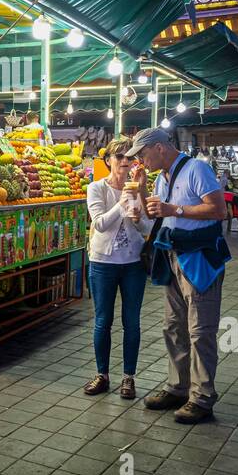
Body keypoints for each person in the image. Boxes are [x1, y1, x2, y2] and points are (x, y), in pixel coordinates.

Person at [128, 127, 229, 424]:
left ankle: (203, 397)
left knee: (201, 331)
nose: (141, 160)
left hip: (200, 258)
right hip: (172, 257)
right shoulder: (162, 177)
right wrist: (144, 188)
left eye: (143, 153)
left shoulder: (197, 169)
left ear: (159, 148)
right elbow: (154, 215)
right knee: (173, 327)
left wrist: (177, 209)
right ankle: (178, 386)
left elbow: (218, 210)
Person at [83, 137, 152, 400]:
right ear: (108, 160)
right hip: (103, 262)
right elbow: (100, 223)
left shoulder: (139, 188)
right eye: (119, 156)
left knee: (131, 322)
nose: (125, 161)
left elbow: (147, 228)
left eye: (129, 157)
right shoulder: (96, 188)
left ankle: (128, 377)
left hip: (133, 263)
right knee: (103, 321)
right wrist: (124, 200)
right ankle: (102, 374)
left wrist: (138, 214)